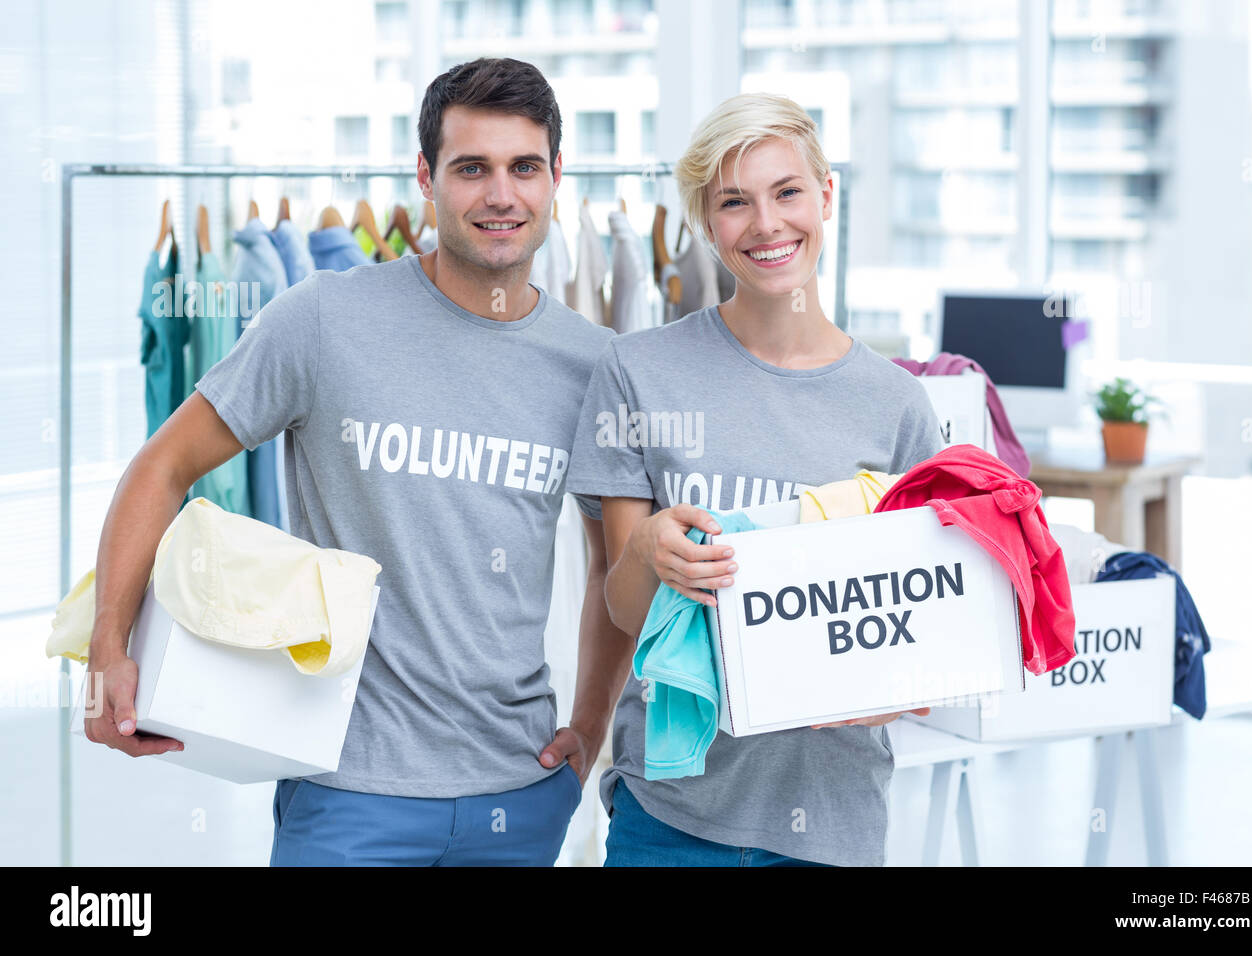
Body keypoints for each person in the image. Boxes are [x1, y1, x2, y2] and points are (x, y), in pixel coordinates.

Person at [82, 57, 629, 866]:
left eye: (524, 168)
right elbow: (162, 466)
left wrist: (590, 726)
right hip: (346, 790)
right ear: (426, 177)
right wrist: (108, 645)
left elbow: (611, 567)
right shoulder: (323, 320)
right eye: (471, 168)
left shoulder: (598, 367)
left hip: (520, 792)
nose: (501, 195)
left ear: (556, 179)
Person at [565, 92, 945, 866]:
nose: (767, 224)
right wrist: (648, 557)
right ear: (708, 225)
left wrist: (898, 686)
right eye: (735, 202)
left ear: (827, 194)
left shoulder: (898, 405)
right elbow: (623, 606)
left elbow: (924, 635)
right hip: (671, 819)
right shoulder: (638, 373)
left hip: (832, 820)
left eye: (787, 191)